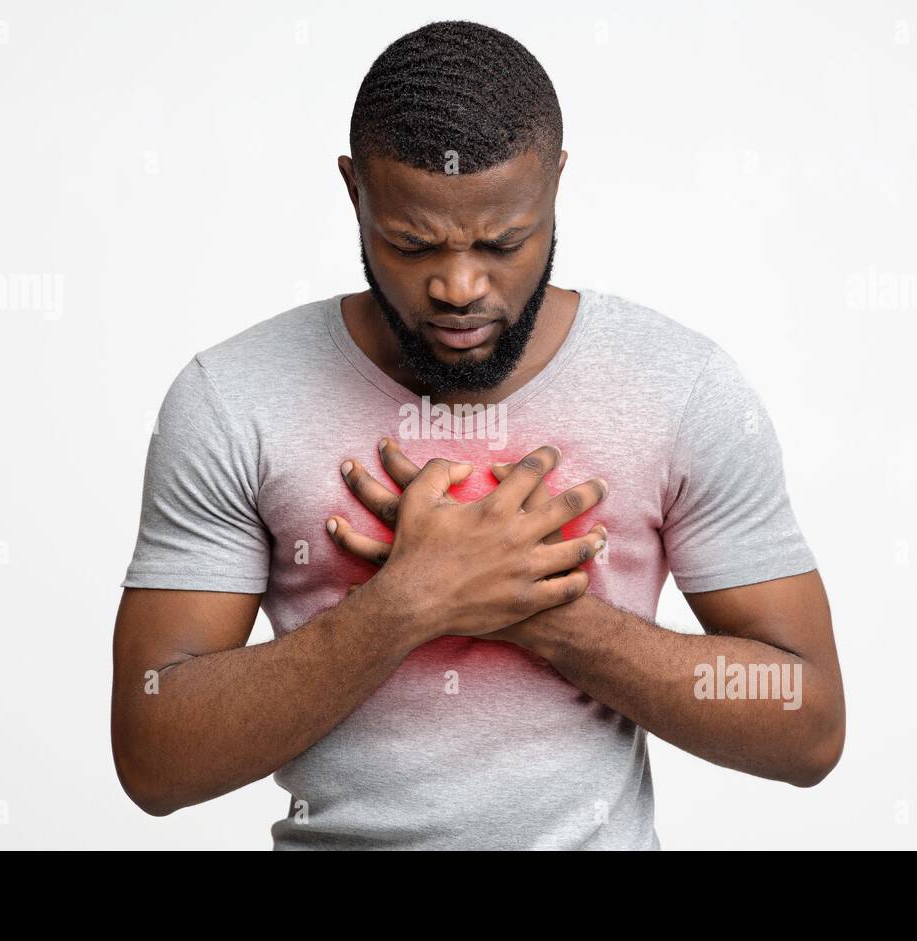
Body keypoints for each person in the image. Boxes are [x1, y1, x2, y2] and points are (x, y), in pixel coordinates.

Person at [110, 19, 845, 850]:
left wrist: (545, 612)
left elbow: (807, 723)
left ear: (557, 185)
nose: (459, 286)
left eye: (504, 242)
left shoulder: (679, 385)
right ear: (354, 193)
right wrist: (405, 605)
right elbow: (154, 755)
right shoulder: (233, 397)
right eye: (411, 242)